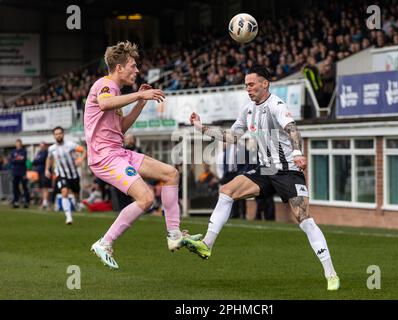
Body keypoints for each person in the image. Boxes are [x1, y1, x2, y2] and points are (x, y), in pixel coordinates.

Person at [186, 65, 340, 290]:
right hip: (266, 170)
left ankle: (331, 273)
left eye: (251, 84)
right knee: (227, 190)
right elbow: (232, 136)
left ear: (264, 83)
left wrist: (297, 153)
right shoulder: (248, 109)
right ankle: (207, 244)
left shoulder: (277, 104)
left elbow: (293, 129)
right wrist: (201, 128)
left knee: (304, 219)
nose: (248, 89)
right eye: (246, 85)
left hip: (288, 170)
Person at [84, 41, 200, 269]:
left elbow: (121, 128)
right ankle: (104, 243)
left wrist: (139, 101)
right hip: (104, 157)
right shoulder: (105, 85)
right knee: (146, 198)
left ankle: (175, 234)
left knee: (170, 174)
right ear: (119, 68)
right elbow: (105, 103)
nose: (136, 70)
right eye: (133, 66)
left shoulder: (116, 91)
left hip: (118, 152)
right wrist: (138, 95)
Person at [45, 127, 86, 225]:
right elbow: (49, 159)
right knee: (64, 192)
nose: (58, 135)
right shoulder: (52, 148)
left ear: (63, 134)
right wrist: (47, 169)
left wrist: (81, 159)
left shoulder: (70, 145)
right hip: (61, 175)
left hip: (74, 175)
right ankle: (68, 217)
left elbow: (84, 150)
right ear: (54, 136)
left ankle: (76, 203)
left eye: (60, 133)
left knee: (76, 195)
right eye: (56, 134)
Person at [9, 139, 30, 208]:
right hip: (15, 172)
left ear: (21, 144)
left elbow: (23, 160)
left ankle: (26, 202)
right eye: (17, 143)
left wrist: (17, 159)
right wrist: (17, 159)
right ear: (15, 144)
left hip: (22, 172)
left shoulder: (24, 151)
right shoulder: (13, 152)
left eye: (19, 143)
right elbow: (12, 160)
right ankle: (16, 201)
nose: (18, 144)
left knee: (24, 187)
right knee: (15, 187)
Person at [32, 142, 51, 210]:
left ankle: (45, 202)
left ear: (45, 146)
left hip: (45, 172)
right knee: (41, 188)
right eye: (40, 146)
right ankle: (44, 202)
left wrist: (37, 161)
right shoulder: (39, 152)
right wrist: (37, 161)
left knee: (45, 187)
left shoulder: (46, 152)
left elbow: (41, 160)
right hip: (39, 172)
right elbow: (34, 161)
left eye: (43, 146)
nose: (41, 147)